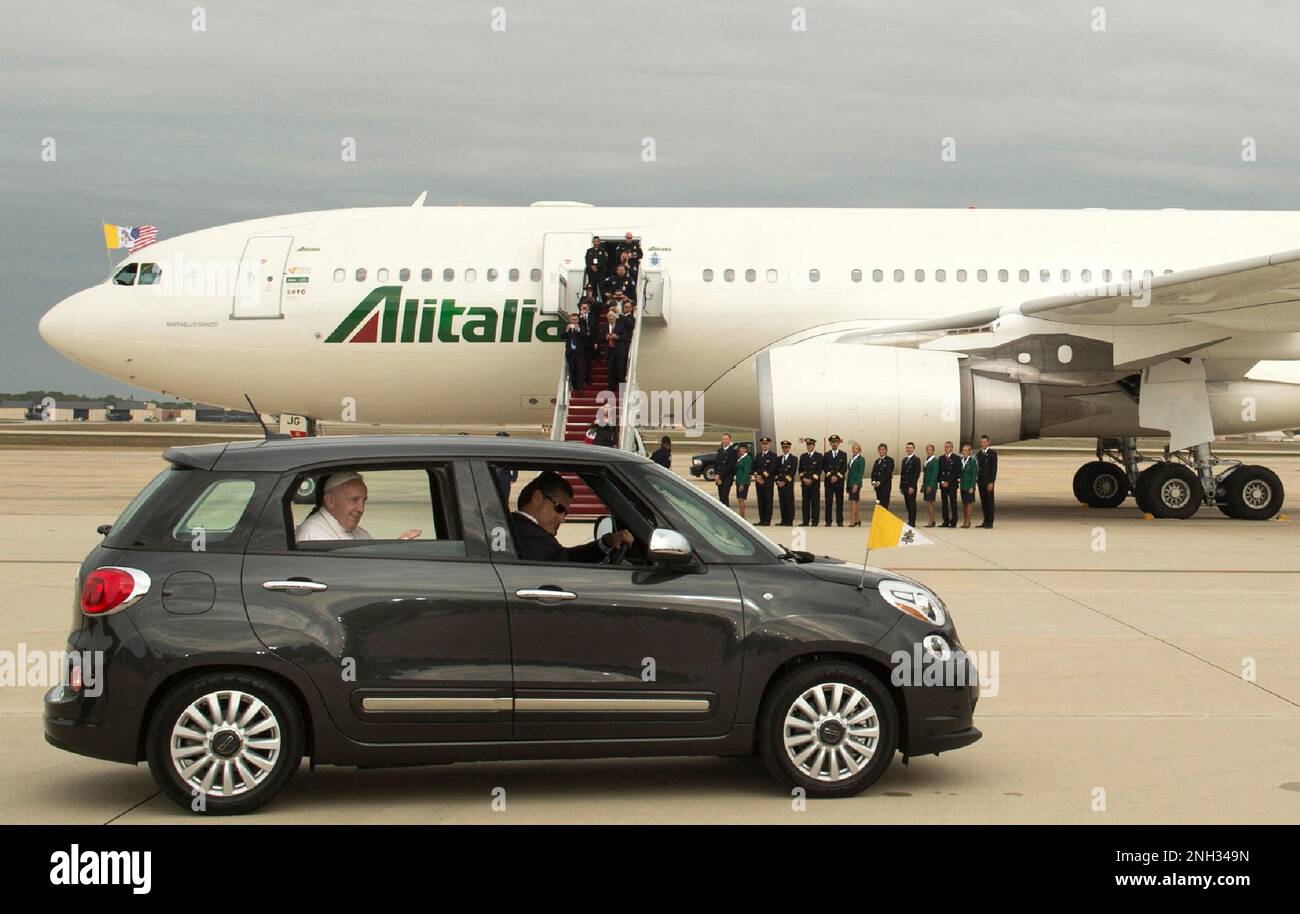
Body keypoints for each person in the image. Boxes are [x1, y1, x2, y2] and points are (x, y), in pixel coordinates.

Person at [511, 471, 633, 561]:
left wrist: (606, 543)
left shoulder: (515, 526)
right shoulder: (532, 538)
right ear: (537, 498)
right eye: (559, 508)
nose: (562, 519)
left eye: (566, 513)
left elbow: (565, 556)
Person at [296, 471, 420, 542]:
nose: (361, 509)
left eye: (363, 501)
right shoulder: (311, 534)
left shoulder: (360, 533)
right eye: (354, 500)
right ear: (330, 500)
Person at [822, 435, 847, 527]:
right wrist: (830, 476)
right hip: (829, 482)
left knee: (839, 502)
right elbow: (824, 467)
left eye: (836, 442)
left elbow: (844, 468)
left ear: (839, 443)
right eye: (832, 442)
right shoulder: (827, 455)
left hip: (839, 482)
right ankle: (828, 521)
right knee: (828, 502)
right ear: (830, 444)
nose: (834, 444)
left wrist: (837, 477)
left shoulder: (843, 454)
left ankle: (839, 521)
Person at [752, 436, 778, 525]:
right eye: (763, 444)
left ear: (769, 445)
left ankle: (767, 520)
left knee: (768, 501)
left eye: (766, 444)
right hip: (759, 482)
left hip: (767, 482)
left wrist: (762, 477)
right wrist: (756, 476)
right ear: (761, 445)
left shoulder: (773, 456)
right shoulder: (758, 455)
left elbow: (772, 469)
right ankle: (761, 519)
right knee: (760, 501)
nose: (765, 446)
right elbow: (754, 467)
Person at [798, 437, 822, 526]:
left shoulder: (818, 456)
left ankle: (815, 521)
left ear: (814, 446)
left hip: (814, 484)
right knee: (805, 503)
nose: (809, 446)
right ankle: (805, 521)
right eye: (807, 445)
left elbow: (819, 470)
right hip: (805, 484)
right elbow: (800, 470)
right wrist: (803, 479)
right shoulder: (803, 456)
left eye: (810, 445)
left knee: (815, 503)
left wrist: (811, 480)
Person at [977, 434, 998, 528]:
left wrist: (991, 482)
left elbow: (994, 469)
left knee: (989, 502)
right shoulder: (978, 454)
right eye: (982, 442)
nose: (983, 444)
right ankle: (985, 521)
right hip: (981, 482)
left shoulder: (992, 454)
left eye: (985, 442)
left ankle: (990, 522)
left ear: (988, 442)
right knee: (983, 502)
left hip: (988, 482)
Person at [775, 439, 798, 525]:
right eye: (783, 448)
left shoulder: (793, 459)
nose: (785, 449)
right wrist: (778, 481)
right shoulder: (779, 459)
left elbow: (792, 472)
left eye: (786, 447)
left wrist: (784, 482)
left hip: (788, 484)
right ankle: (783, 520)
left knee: (789, 502)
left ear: (789, 448)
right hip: (780, 484)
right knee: (782, 502)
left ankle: (789, 520)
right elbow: (776, 472)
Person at [563, 313, 587, 393]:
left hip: (579, 353)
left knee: (580, 370)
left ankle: (580, 387)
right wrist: (566, 330)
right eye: (572, 320)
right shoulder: (567, 327)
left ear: (578, 320)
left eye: (575, 320)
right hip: (570, 352)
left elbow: (585, 337)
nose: (573, 321)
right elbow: (562, 336)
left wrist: (578, 330)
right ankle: (574, 386)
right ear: (570, 320)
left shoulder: (582, 327)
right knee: (572, 370)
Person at [939, 440, 960, 528]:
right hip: (943, 485)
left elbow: (956, 472)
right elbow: (939, 472)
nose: (946, 448)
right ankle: (945, 521)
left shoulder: (956, 458)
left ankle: (954, 521)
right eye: (945, 447)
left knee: (953, 503)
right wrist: (942, 481)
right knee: (944, 503)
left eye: (948, 447)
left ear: (952, 448)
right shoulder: (941, 458)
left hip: (952, 485)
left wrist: (948, 482)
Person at [899, 442, 921, 526]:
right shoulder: (904, 460)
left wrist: (912, 486)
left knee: (912, 504)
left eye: (910, 448)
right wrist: (901, 486)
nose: (908, 449)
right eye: (907, 448)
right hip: (905, 486)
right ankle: (910, 519)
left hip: (911, 486)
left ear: (913, 449)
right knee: (907, 504)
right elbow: (902, 474)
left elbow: (916, 474)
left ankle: (912, 521)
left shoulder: (916, 459)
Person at [714, 433, 738, 506]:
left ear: (729, 440)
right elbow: (716, 464)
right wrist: (716, 475)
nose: (724, 441)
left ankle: (726, 514)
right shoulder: (719, 450)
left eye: (726, 439)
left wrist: (720, 476)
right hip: (719, 477)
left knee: (724, 496)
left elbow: (730, 466)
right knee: (721, 497)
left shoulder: (733, 451)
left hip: (727, 477)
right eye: (723, 439)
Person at [846, 442, 866, 527]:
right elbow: (850, 472)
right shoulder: (852, 459)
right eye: (853, 448)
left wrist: (856, 484)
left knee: (853, 501)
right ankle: (857, 519)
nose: (854, 449)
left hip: (856, 483)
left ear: (859, 450)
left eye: (856, 448)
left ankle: (852, 521)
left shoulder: (861, 459)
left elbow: (860, 473)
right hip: (850, 482)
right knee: (853, 501)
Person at [870, 442, 894, 512]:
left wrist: (880, 482)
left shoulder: (889, 460)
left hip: (885, 487)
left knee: (884, 505)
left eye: (883, 449)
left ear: (886, 451)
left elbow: (888, 473)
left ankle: (884, 521)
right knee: (879, 505)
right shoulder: (877, 461)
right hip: (878, 488)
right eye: (880, 449)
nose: (881, 451)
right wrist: (873, 481)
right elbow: (874, 472)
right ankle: (880, 520)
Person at [959, 443, 978, 528]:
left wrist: (972, 487)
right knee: (964, 504)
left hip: (969, 486)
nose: (964, 452)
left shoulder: (972, 461)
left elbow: (974, 475)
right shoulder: (962, 461)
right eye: (963, 450)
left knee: (969, 504)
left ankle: (968, 521)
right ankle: (965, 519)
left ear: (970, 452)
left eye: (966, 451)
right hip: (963, 486)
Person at [921, 443, 940, 527]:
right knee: (929, 503)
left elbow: (934, 474)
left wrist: (930, 485)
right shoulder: (927, 460)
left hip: (931, 485)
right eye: (927, 450)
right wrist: (923, 485)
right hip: (926, 484)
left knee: (930, 503)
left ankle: (931, 521)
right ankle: (932, 520)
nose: (929, 451)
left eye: (930, 450)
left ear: (933, 451)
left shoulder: (935, 461)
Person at [495, 432, 518, 500]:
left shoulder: (510, 450)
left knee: (505, 497)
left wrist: (514, 477)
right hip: (494, 476)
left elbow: (514, 464)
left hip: (505, 477)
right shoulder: (494, 448)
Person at [733, 442, 752, 519]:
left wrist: (742, 483)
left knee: (741, 499)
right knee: (739, 499)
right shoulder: (740, 458)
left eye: (743, 448)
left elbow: (746, 472)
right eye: (740, 448)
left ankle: (742, 517)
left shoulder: (747, 458)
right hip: (738, 481)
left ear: (746, 450)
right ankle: (742, 515)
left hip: (743, 482)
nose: (742, 450)